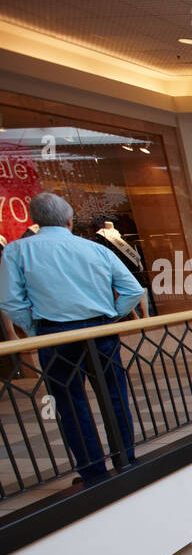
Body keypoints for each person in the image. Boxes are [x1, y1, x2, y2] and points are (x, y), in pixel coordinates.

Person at [0, 192, 145, 486]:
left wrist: (34, 327)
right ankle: (125, 458)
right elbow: (132, 289)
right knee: (114, 394)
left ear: (35, 221)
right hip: (100, 331)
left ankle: (93, 471)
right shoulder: (94, 249)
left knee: (69, 402)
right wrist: (112, 317)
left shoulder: (17, 251)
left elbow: (10, 301)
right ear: (69, 220)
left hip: (55, 334)